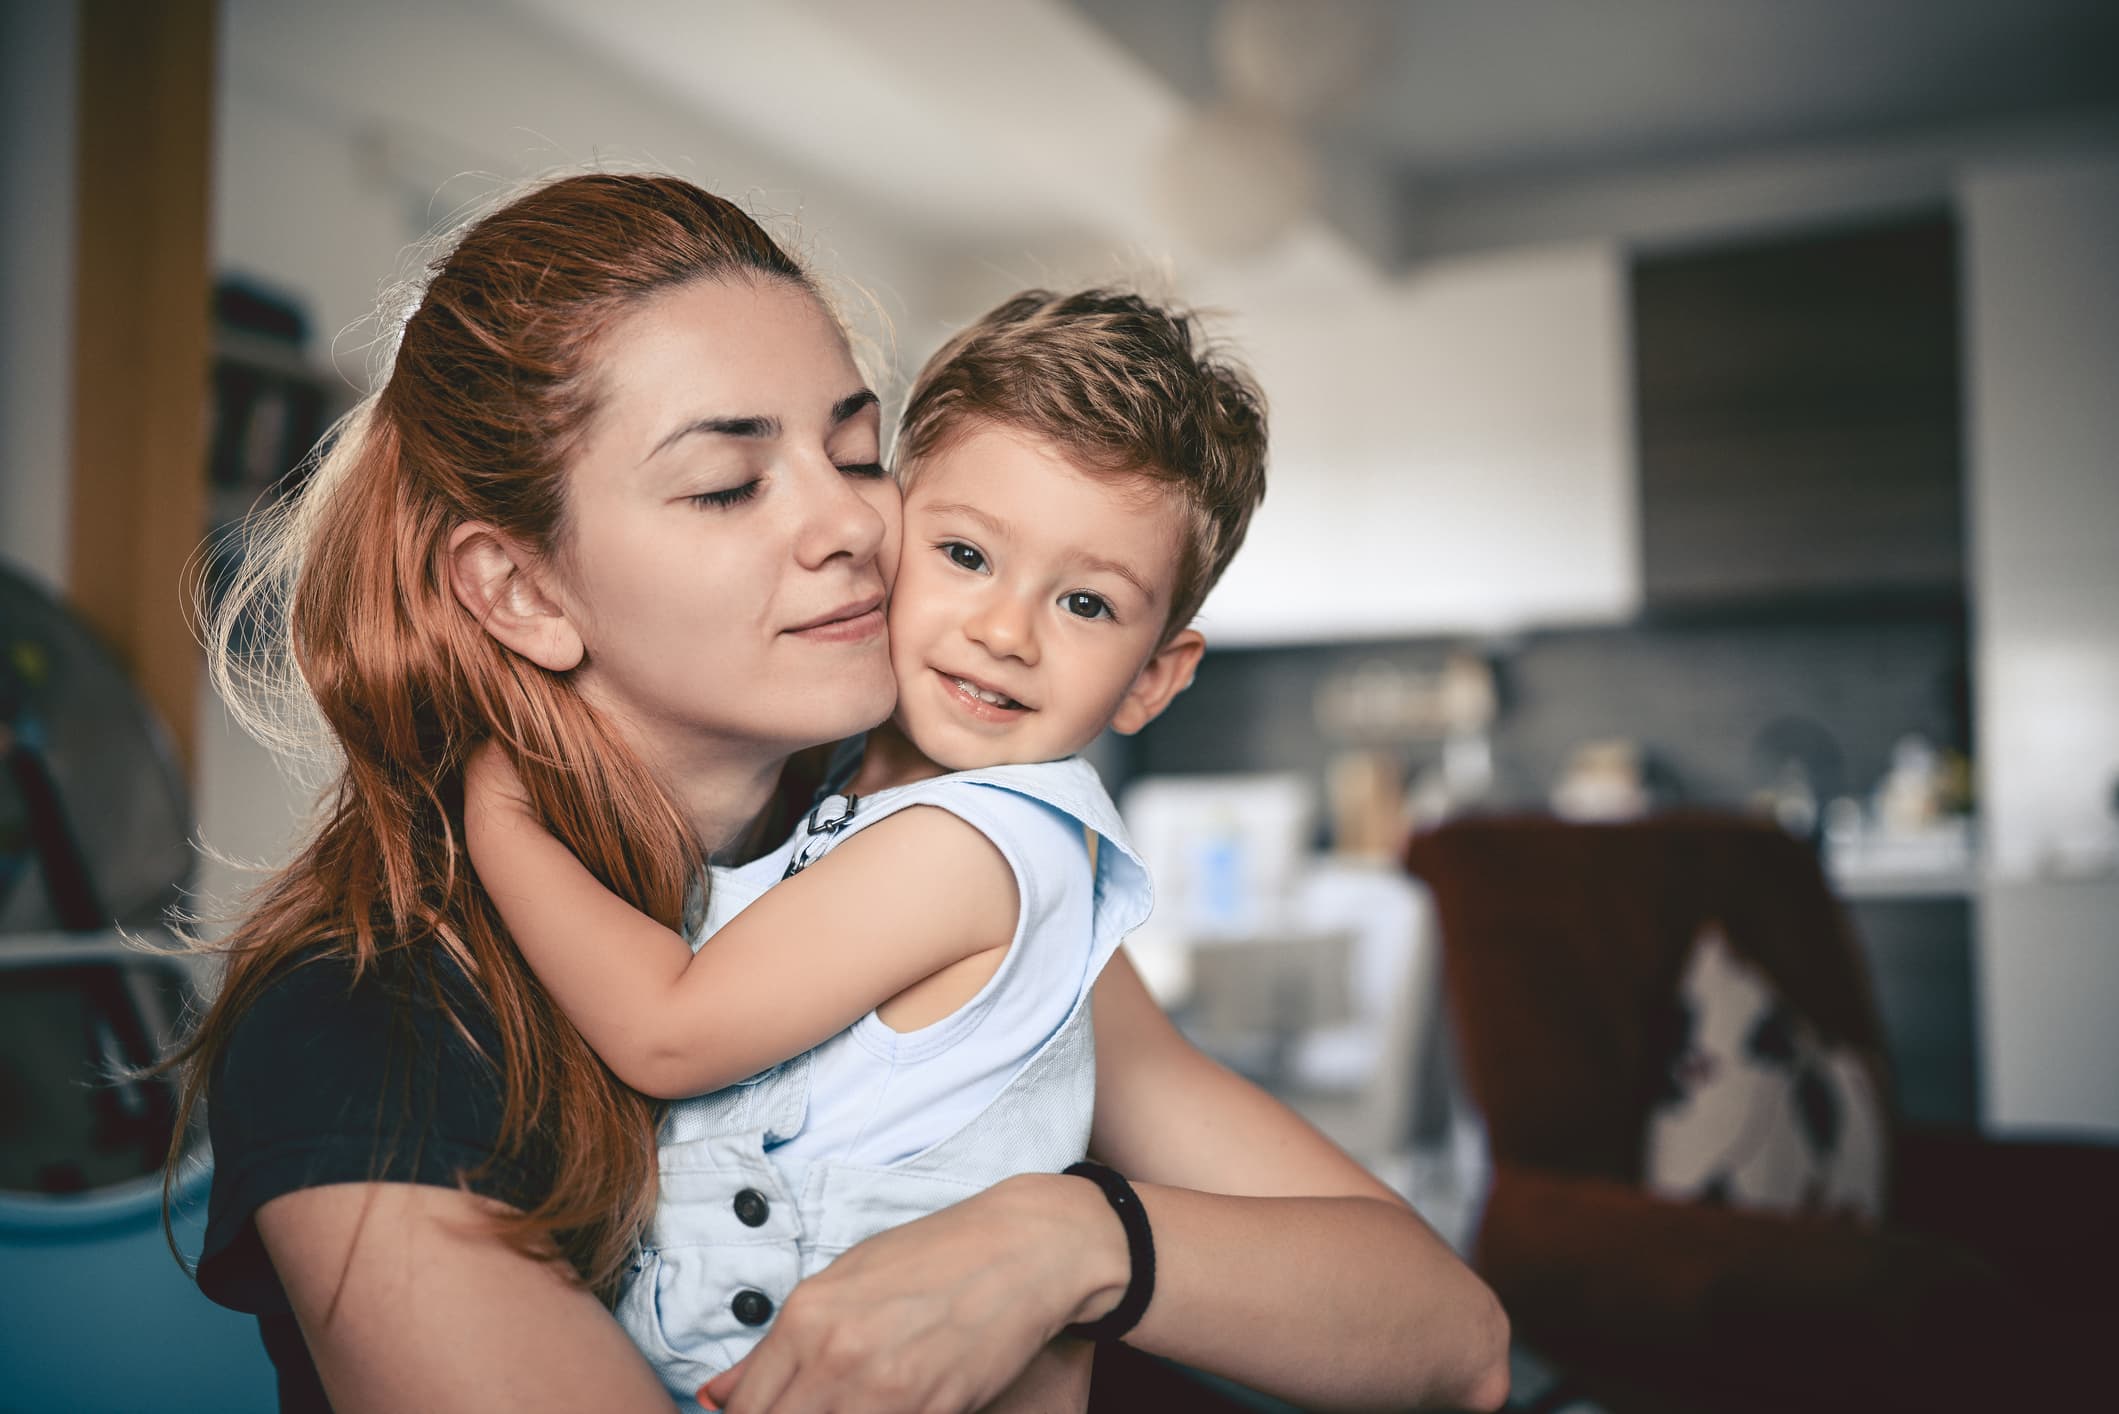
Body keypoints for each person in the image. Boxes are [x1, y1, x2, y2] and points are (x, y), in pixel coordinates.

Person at [171, 172, 1510, 1413]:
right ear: (522, 590)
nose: (856, 526)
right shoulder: (367, 1023)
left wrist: (1067, 1241)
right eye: (727, 485)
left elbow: (1453, 1335)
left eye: (859, 453)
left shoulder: (935, 868)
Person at [464, 286, 1254, 1404]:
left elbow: (668, 1031)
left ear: (1154, 678)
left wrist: (495, 810)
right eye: (966, 554)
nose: (1003, 630)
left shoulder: (978, 846)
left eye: (1085, 604)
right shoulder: (843, 795)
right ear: (887, 536)